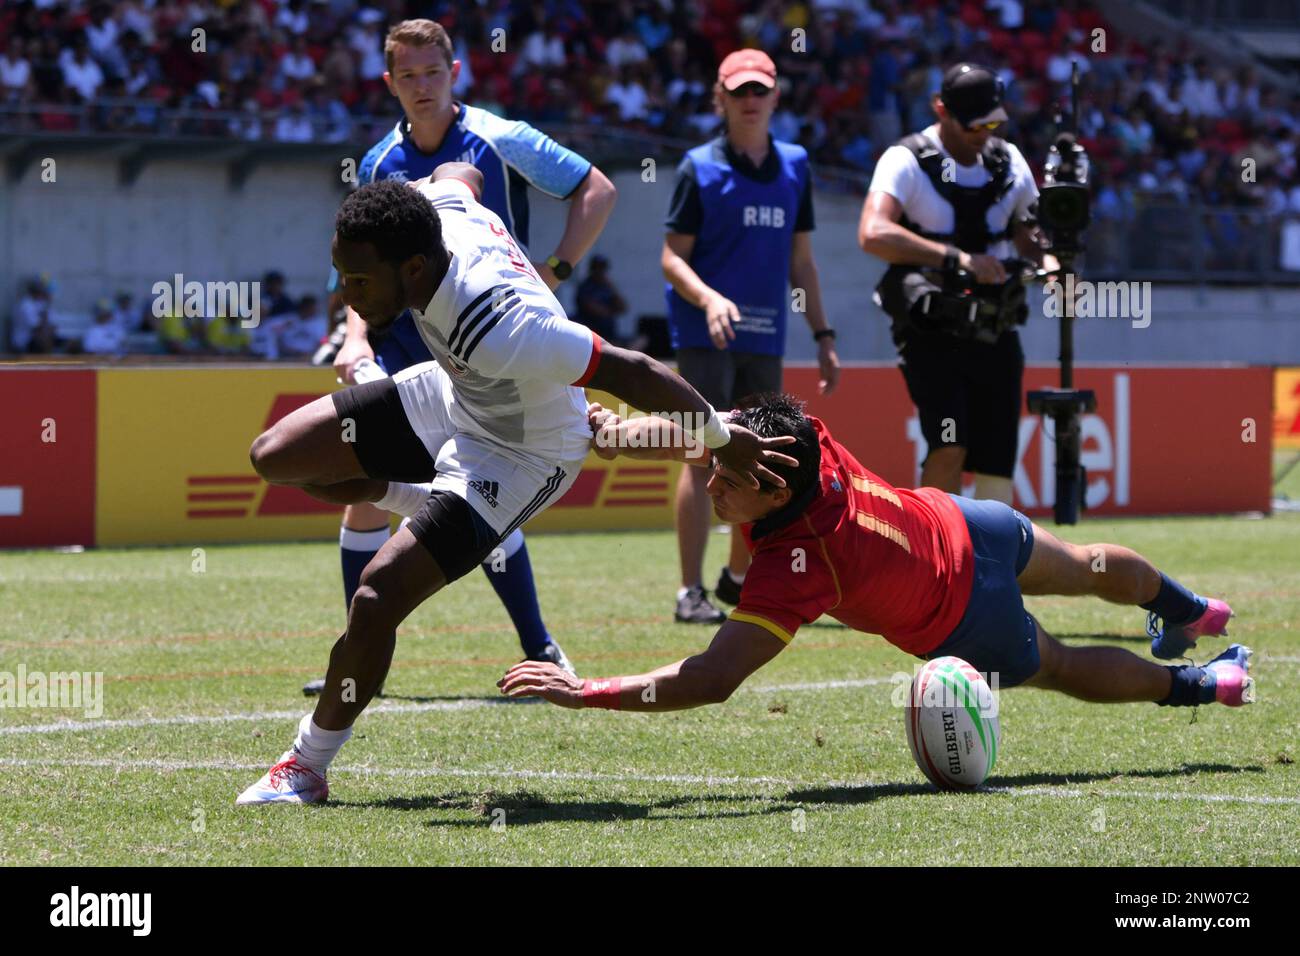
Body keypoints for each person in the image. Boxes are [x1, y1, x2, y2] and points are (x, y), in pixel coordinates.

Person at [234, 168, 794, 804]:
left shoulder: (500, 325)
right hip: (457, 392)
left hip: (522, 451)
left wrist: (720, 437)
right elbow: (460, 174)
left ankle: (305, 765)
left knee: (376, 596)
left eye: (359, 281)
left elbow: (630, 370)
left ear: (414, 268)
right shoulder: (433, 213)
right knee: (277, 456)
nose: (347, 295)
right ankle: (419, 500)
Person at [500, 394, 1251, 718]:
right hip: (965, 522)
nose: (708, 486)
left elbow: (710, 678)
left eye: (724, 483)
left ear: (766, 485)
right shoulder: (805, 437)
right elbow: (716, 428)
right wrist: (620, 436)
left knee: (1058, 664)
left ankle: (1204, 685)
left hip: (964, 620)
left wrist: (585, 690)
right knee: (1084, 563)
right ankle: (1194, 610)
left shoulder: (794, 570)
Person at [313, 18, 618, 691]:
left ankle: (541, 646)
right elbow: (357, 268)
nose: (422, 87)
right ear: (389, 82)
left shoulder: (499, 139)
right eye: (408, 76)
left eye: (433, 73)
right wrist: (354, 335)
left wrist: (553, 273)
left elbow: (596, 188)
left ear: (455, 74)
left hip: (484, 358)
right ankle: (360, 655)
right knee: (361, 495)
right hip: (402, 350)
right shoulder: (376, 163)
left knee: (479, 494)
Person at [661, 47, 839, 626]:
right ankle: (690, 590)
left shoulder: (796, 166)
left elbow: (803, 262)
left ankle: (740, 580)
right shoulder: (698, 168)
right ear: (720, 97)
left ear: (775, 96)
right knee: (699, 457)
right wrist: (710, 298)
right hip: (703, 337)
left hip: (766, 338)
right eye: (738, 91)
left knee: (760, 464)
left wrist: (823, 333)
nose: (750, 100)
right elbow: (671, 259)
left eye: (759, 90)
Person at [859, 63, 1053, 505]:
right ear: (941, 109)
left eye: (992, 122)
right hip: (932, 330)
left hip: (996, 326)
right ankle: (932, 553)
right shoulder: (906, 160)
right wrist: (957, 259)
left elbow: (1030, 239)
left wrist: (1056, 260)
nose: (983, 132)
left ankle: (994, 562)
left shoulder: (1010, 162)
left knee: (1000, 457)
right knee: (949, 443)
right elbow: (872, 232)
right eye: (973, 124)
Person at [572, 255, 627, 344]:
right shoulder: (585, 286)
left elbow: (623, 308)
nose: (600, 271)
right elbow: (594, 309)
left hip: (608, 332)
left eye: (602, 268)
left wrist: (613, 288)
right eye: (597, 268)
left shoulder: (607, 286)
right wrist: (611, 311)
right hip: (590, 332)